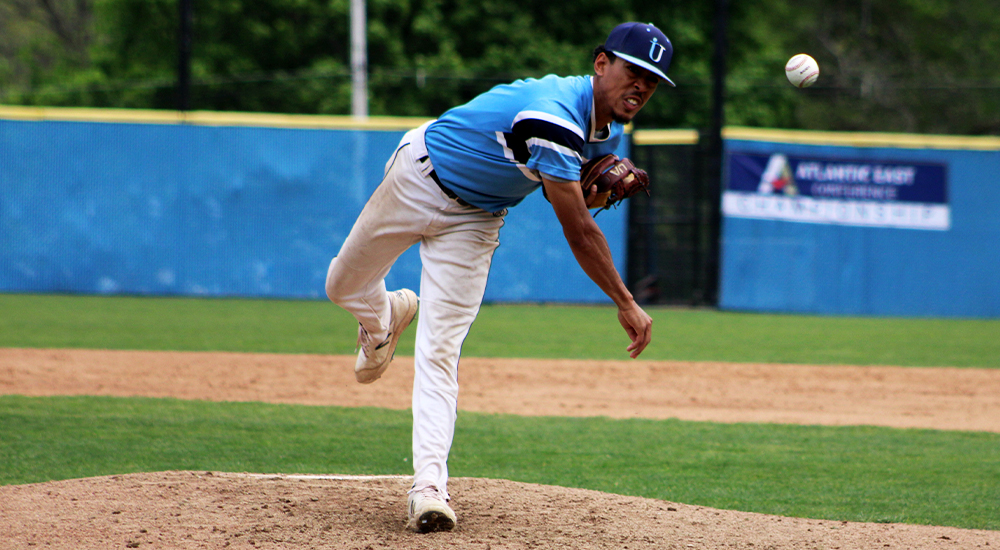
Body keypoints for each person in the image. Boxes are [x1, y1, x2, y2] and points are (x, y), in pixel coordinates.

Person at [325, 21, 674, 533]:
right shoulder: (554, 115)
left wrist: (591, 186)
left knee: (440, 350)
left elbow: (584, 186)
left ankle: (428, 488)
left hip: (476, 218)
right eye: (633, 70)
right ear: (602, 63)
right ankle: (383, 316)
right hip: (419, 176)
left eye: (653, 79)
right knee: (341, 285)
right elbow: (578, 228)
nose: (642, 85)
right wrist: (625, 300)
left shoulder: (607, 131)